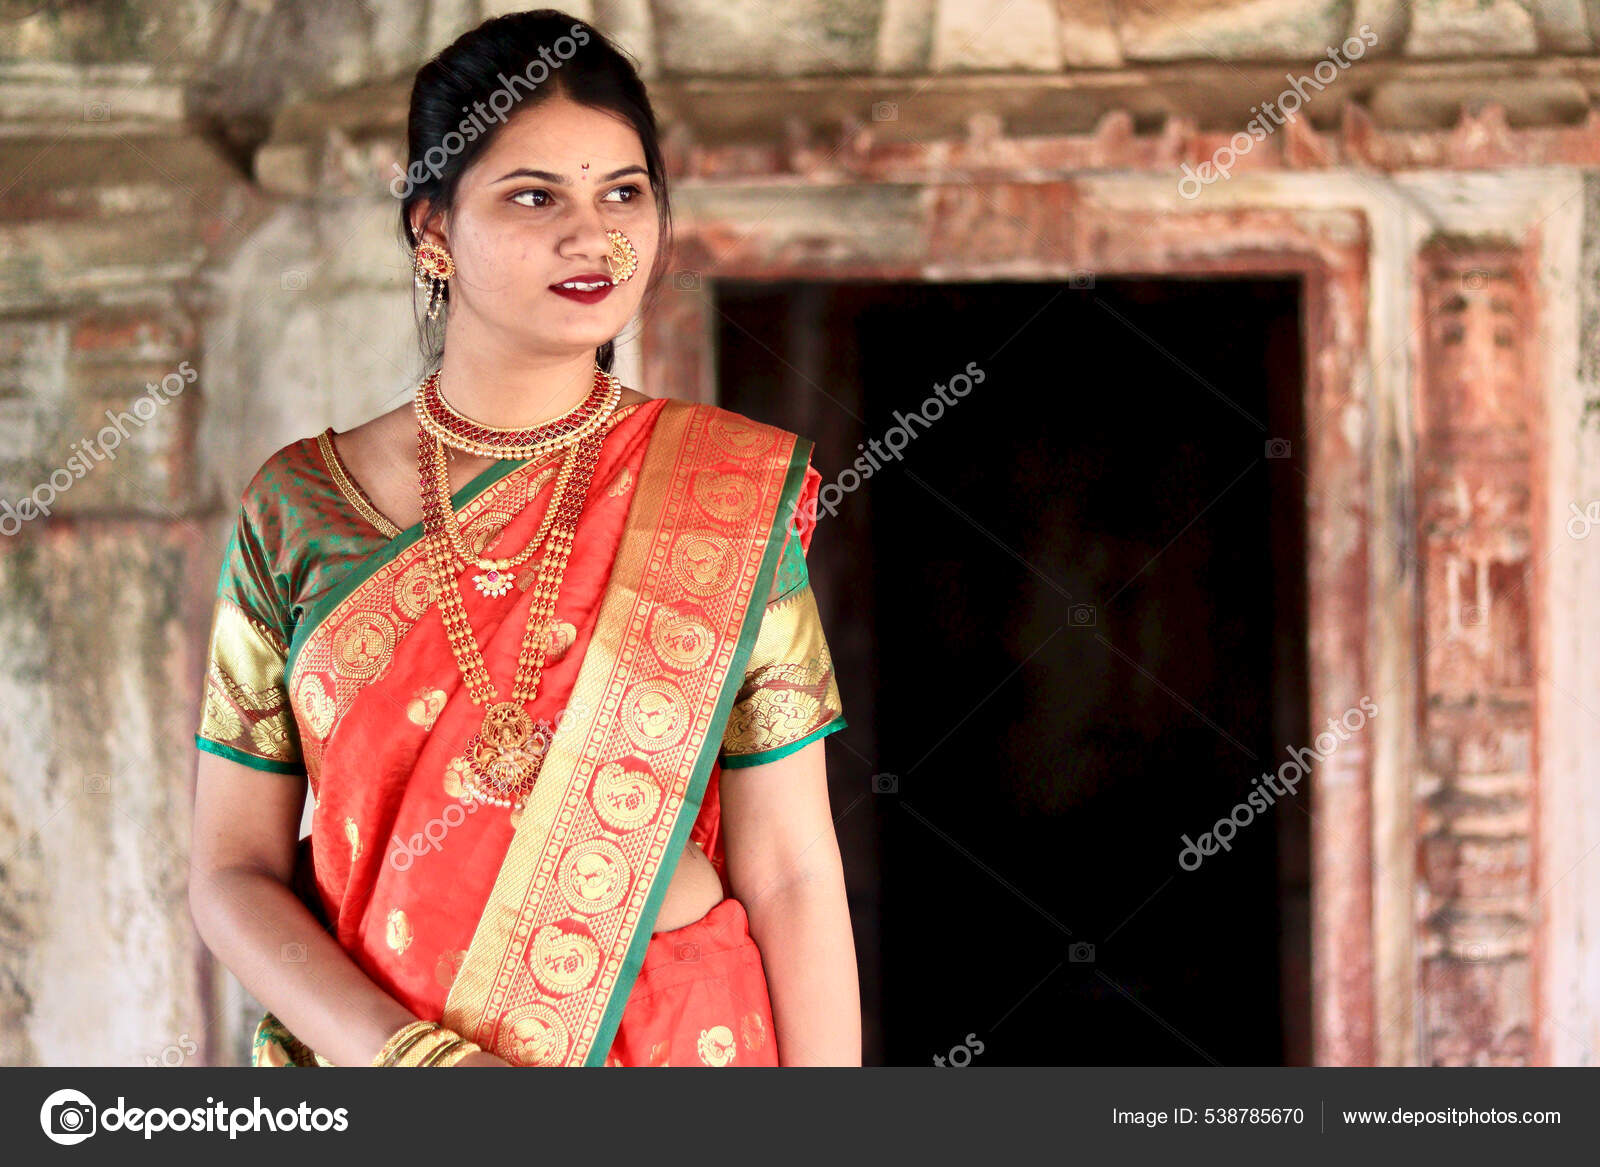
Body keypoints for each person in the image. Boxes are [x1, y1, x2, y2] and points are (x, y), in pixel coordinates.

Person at [187, 9, 859, 1069]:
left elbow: (789, 871)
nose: (592, 235)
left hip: (688, 1046)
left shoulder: (721, 494)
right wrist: (415, 1067)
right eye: (533, 195)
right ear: (433, 231)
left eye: (623, 193)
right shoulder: (298, 509)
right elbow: (230, 873)